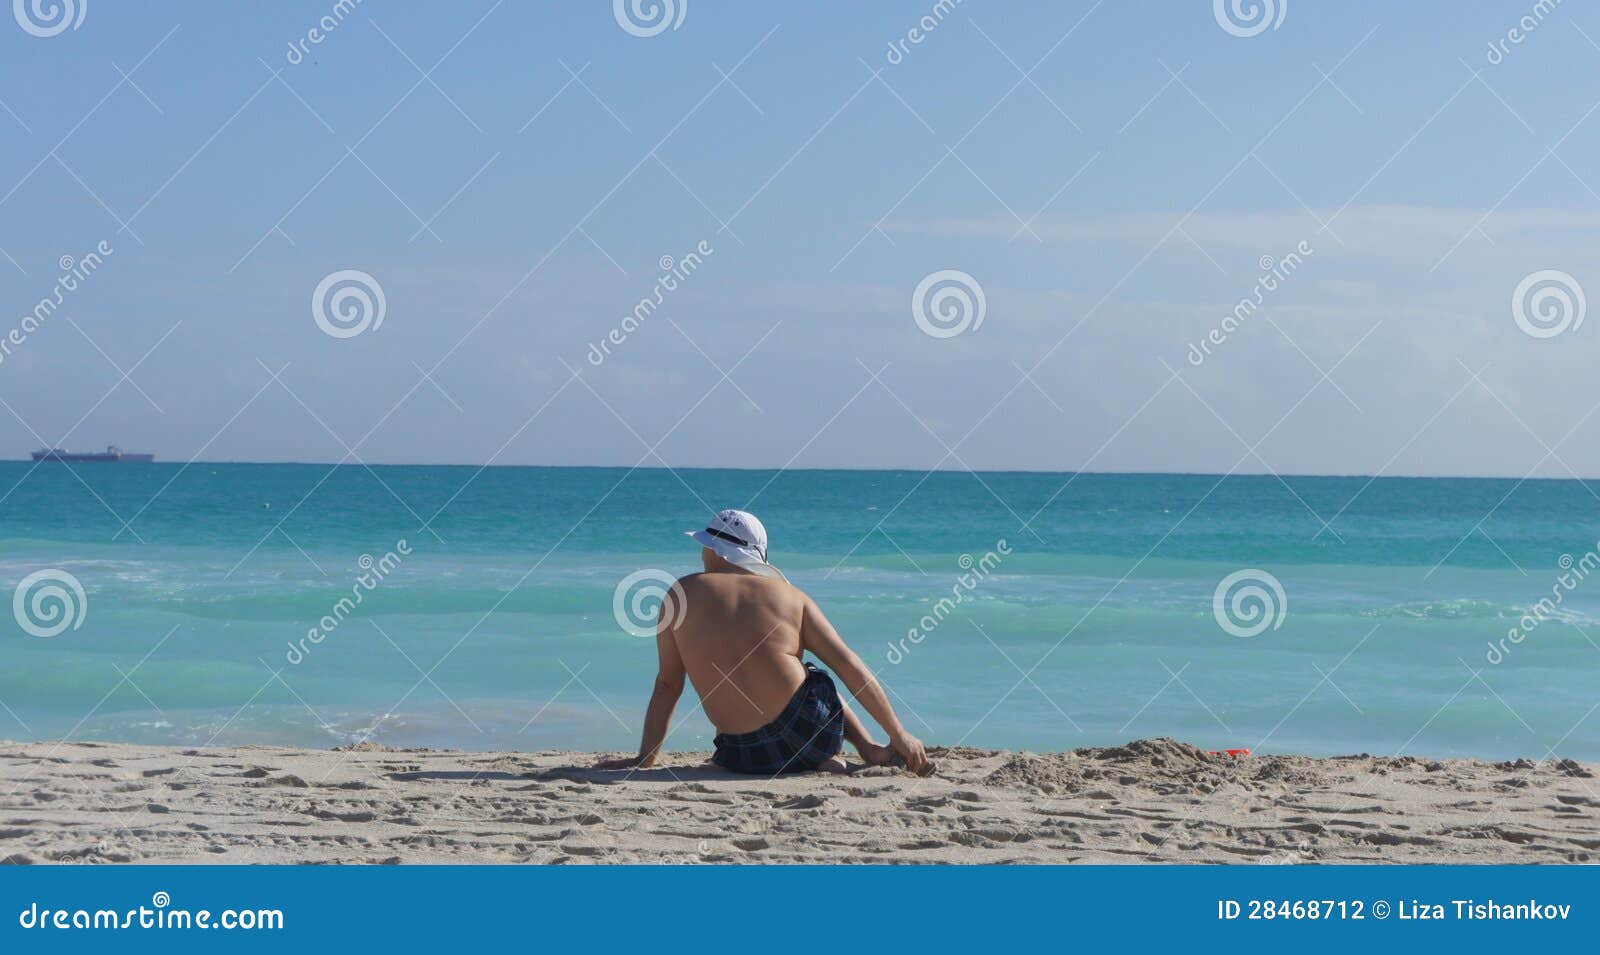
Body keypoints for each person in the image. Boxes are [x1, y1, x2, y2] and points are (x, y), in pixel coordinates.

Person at [597, 508, 932, 776]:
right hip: (810, 736)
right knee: (816, 675)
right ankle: (866, 748)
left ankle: (822, 760)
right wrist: (898, 733)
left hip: (740, 754)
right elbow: (848, 664)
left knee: (801, 679)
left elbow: (668, 684)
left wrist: (646, 757)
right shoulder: (790, 597)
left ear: (715, 550)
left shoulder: (677, 595)